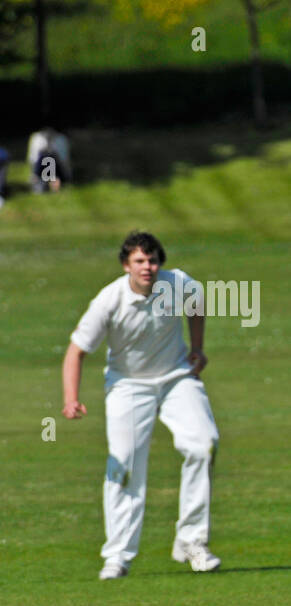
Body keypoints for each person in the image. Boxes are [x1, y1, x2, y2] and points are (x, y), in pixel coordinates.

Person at [62, 231, 221, 580]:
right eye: (139, 261)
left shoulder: (177, 282)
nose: (147, 267)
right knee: (126, 466)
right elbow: (77, 350)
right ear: (126, 265)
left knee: (204, 445)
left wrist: (198, 347)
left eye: (152, 260)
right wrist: (71, 399)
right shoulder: (109, 300)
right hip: (128, 386)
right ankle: (117, 556)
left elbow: (197, 303)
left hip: (177, 377)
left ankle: (192, 542)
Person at [28, 126, 72, 193]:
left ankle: (46, 181)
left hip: (56, 168)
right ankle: (43, 181)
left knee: (50, 156)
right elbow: (33, 159)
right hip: (43, 167)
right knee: (45, 155)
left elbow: (64, 161)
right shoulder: (37, 138)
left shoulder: (61, 139)